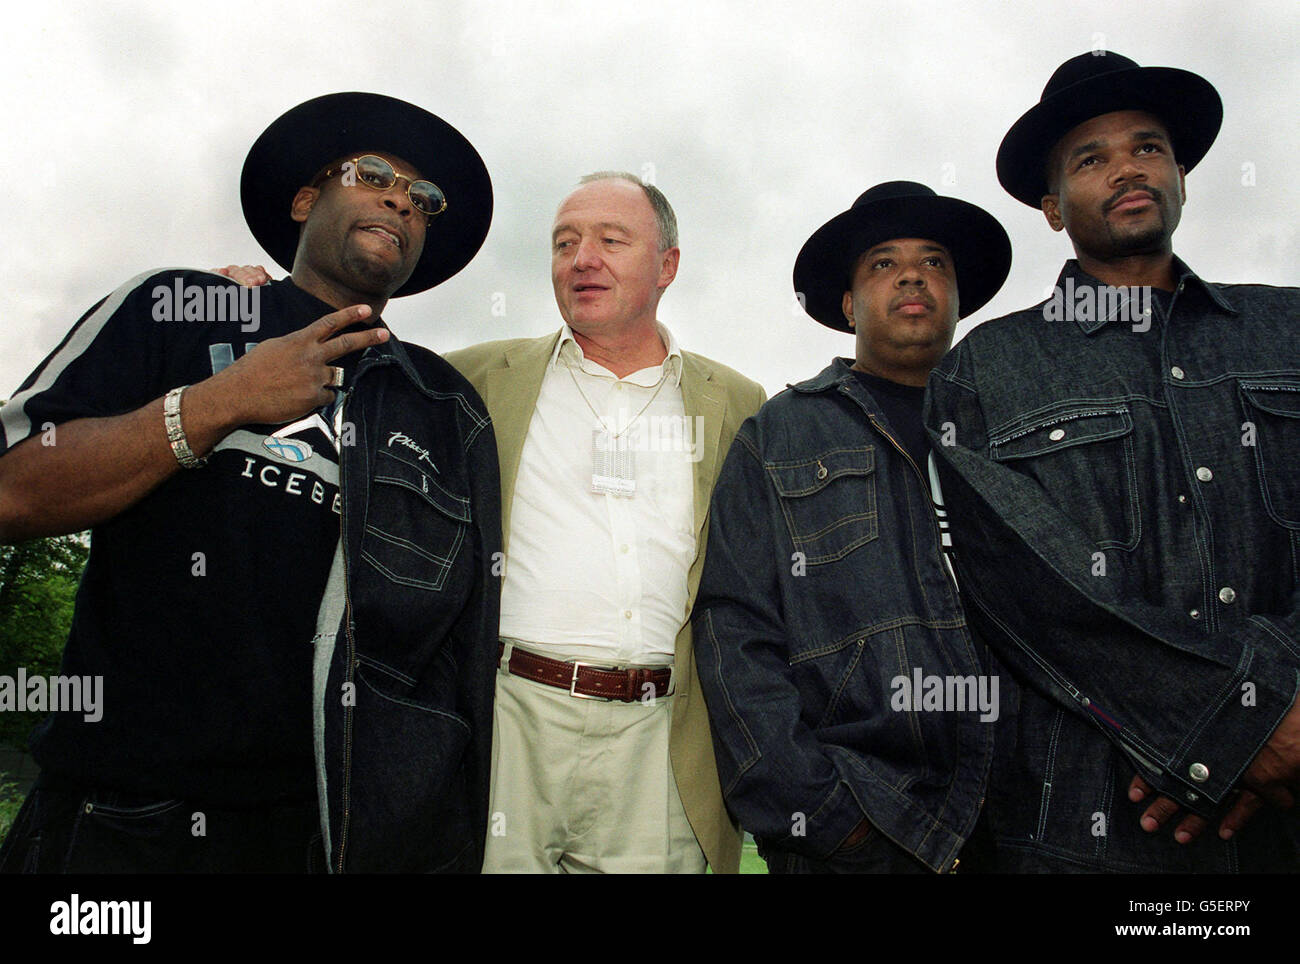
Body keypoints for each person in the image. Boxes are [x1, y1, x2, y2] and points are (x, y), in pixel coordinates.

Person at [0, 92, 501, 873]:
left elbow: (456, 651)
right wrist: (218, 403)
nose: (402, 199)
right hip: (127, 820)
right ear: (307, 199)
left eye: (423, 199)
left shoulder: (441, 406)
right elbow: (13, 488)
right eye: (373, 175)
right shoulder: (177, 310)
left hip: (329, 834)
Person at [924, 51, 1300, 872]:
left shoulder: (1289, 331)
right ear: (1053, 208)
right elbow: (1027, 592)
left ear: (1183, 177)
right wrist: (1243, 727)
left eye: (1148, 147)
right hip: (1093, 825)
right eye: (1090, 159)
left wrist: (1287, 714)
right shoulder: (986, 370)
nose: (1126, 169)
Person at [444, 172, 765, 873]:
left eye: (610, 240)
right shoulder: (472, 381)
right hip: (509, 724)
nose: (581, 258)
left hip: (663, 740)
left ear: (668, 265)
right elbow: (349, 373)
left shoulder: (740, 404)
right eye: (565, 243)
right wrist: (256, 309)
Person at [692, 181, 1011, 873]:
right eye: (882, 263)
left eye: (934, 262)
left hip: (1030, 817)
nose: (911, 276)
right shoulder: (778, 434)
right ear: (847, 303)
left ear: (959, 297)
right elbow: (734, 630)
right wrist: (829, 820)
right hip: (865, 824)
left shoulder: (1015, 426)